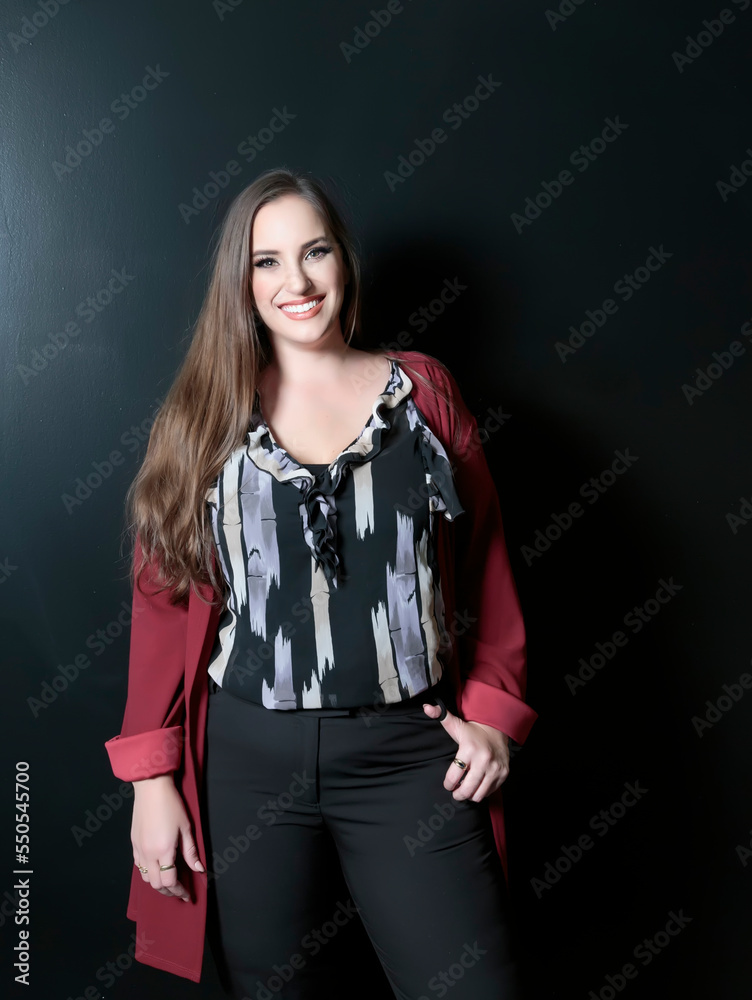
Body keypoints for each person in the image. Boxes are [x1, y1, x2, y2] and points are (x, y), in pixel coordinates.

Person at [104, 167, 538, 999]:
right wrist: (153, 784)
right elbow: (161, 608)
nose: (295, 282)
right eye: (266, 262)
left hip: (408, 755)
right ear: (241, 280)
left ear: (344, 261)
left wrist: (494, 716)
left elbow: (485, 560)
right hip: (244, 760)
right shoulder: (203, 413)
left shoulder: (424, 393)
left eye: (314, 252)